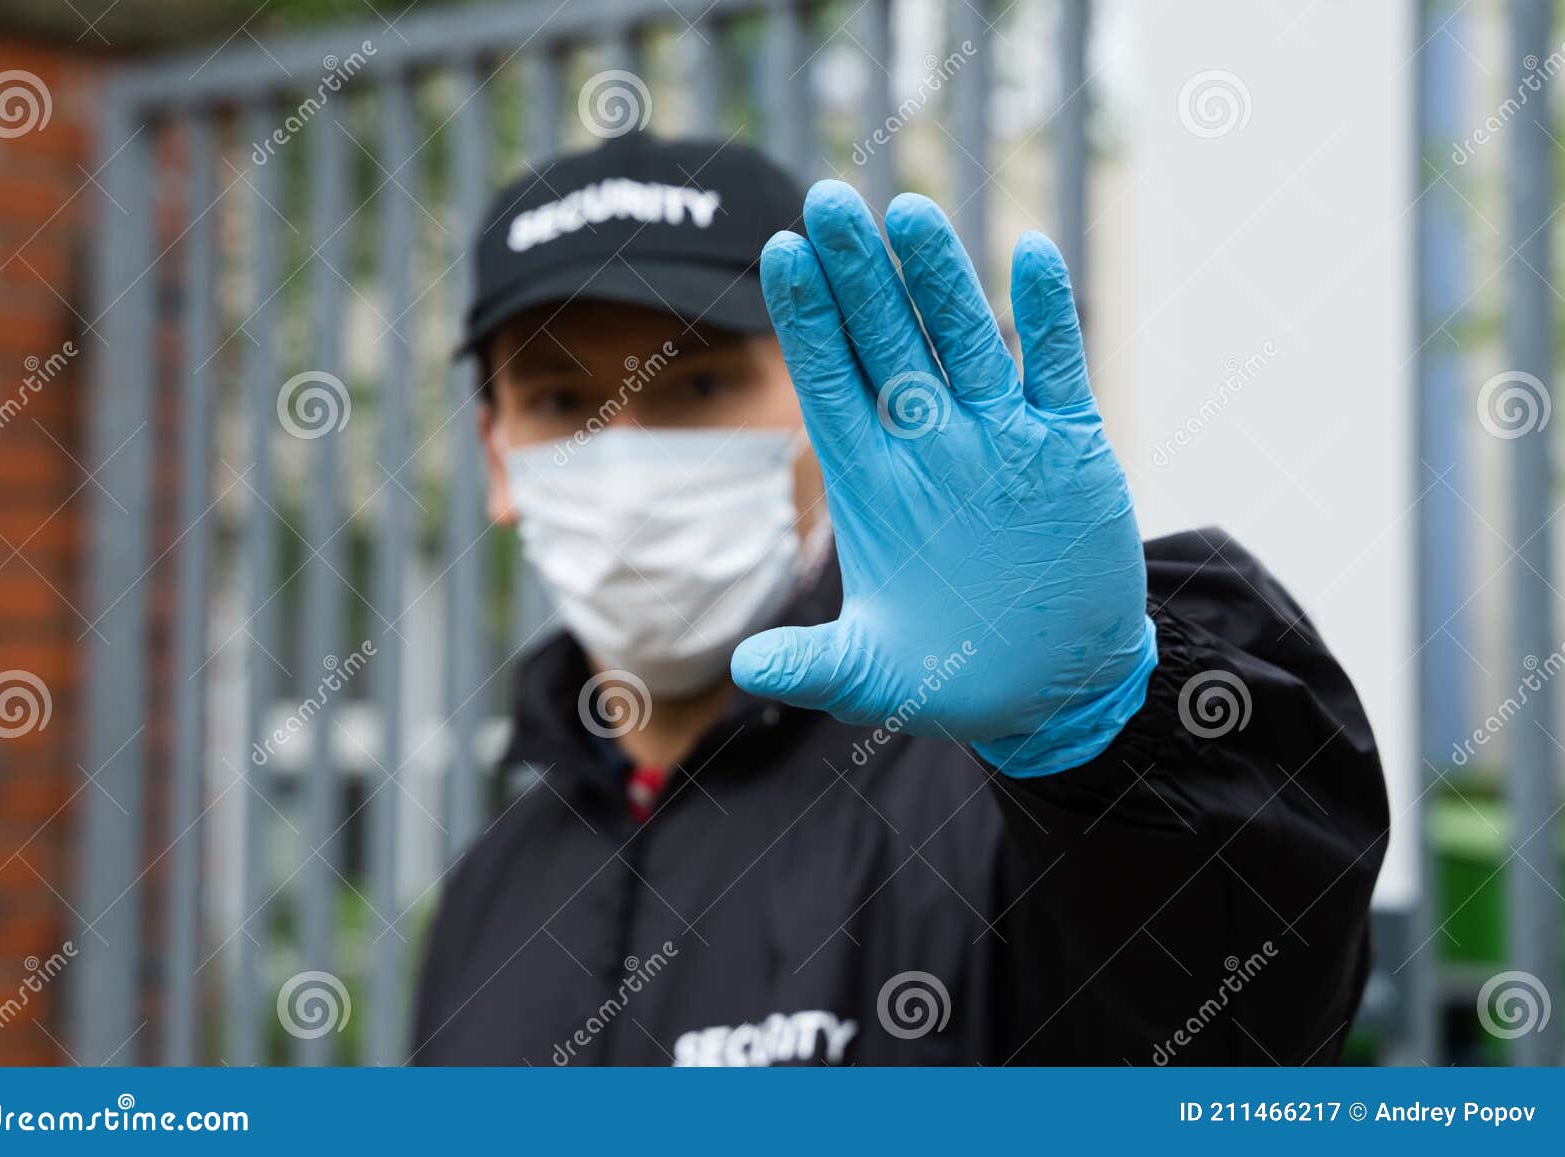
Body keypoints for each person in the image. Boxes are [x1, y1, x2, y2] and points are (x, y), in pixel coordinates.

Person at [410, 134, 1389, 1066]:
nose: (625, 464)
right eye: (562, 401)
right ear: (497, 456)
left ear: (823, 400)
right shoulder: (491, 890)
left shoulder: (1001, 789)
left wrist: (1107, 737)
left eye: (698, 384)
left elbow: (1231, 1039)